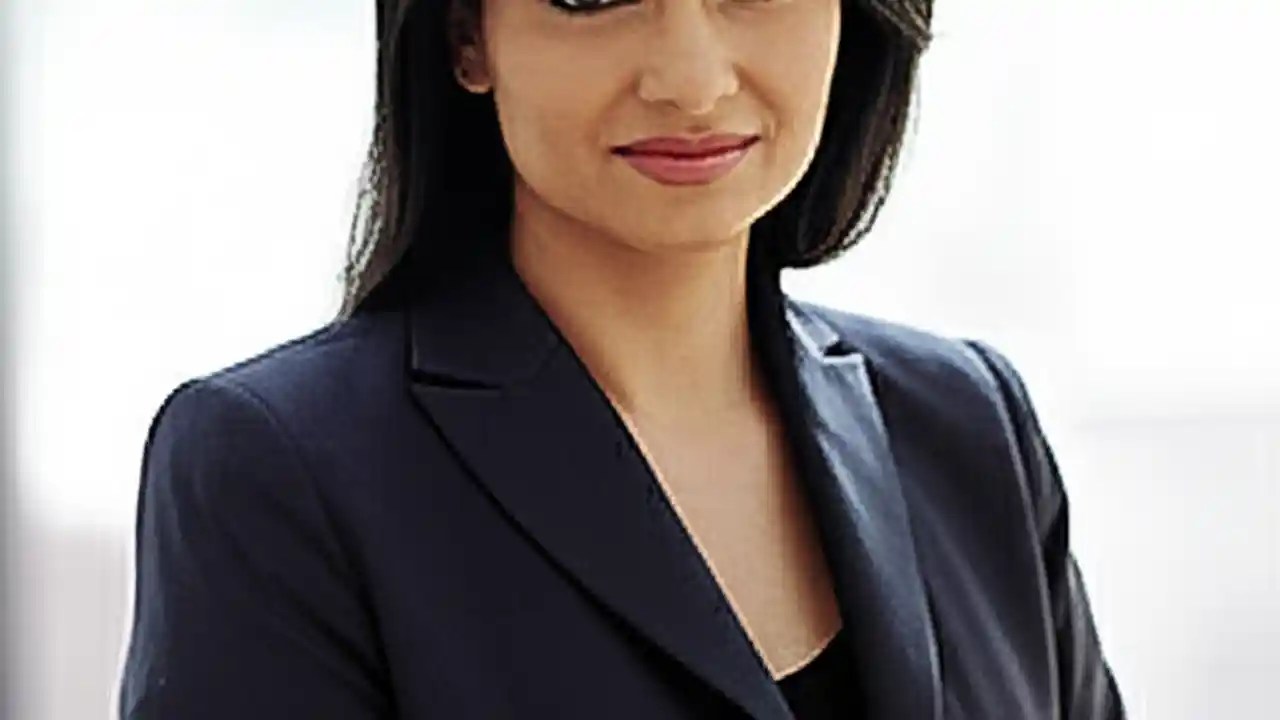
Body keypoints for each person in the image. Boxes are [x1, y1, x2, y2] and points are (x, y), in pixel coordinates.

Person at [118, 1, 1127, 718]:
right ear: (467, 34)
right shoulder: (281, 469)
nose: (691, 79)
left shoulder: (970, 424)